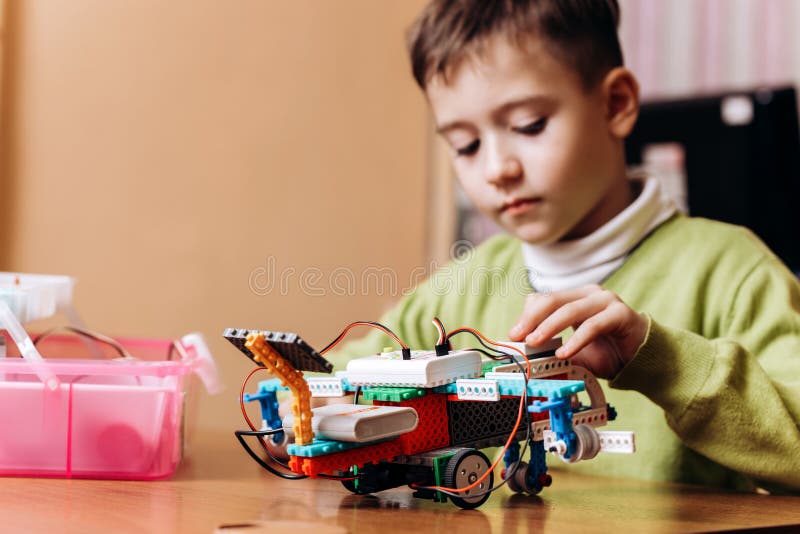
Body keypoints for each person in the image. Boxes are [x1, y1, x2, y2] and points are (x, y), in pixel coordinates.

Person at [328, 0, 800, 493]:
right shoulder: (466, 284)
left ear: (615, 104)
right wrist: (302, 412)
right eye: (466, 145)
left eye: (530, 125)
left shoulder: (733, 272)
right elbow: (343, 380)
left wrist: (658, 357)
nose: (496, 170)